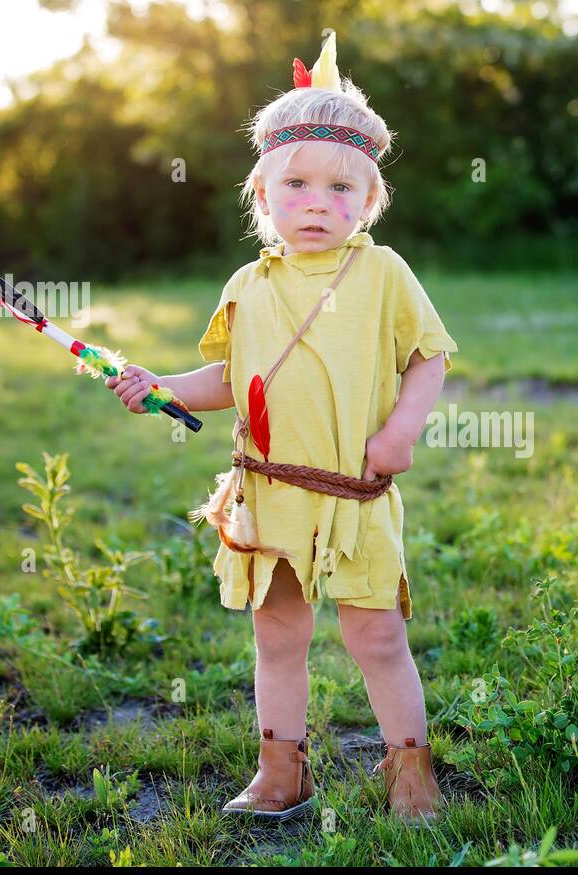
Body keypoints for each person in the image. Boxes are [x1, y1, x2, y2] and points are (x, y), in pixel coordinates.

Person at [105, 31, 458, 824]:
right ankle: (281, 773)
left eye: (341, 189)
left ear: (368, 201)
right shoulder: (249, 285)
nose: (316, 203)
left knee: (375, 637)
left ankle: (411, 774)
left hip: (353, 492)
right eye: (295, 184)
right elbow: (230, 380)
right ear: (262, 194)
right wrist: (161, 387)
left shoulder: (382, 273)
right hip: (271, 492)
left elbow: (428, 358)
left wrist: (400, 433)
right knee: (278, 635)